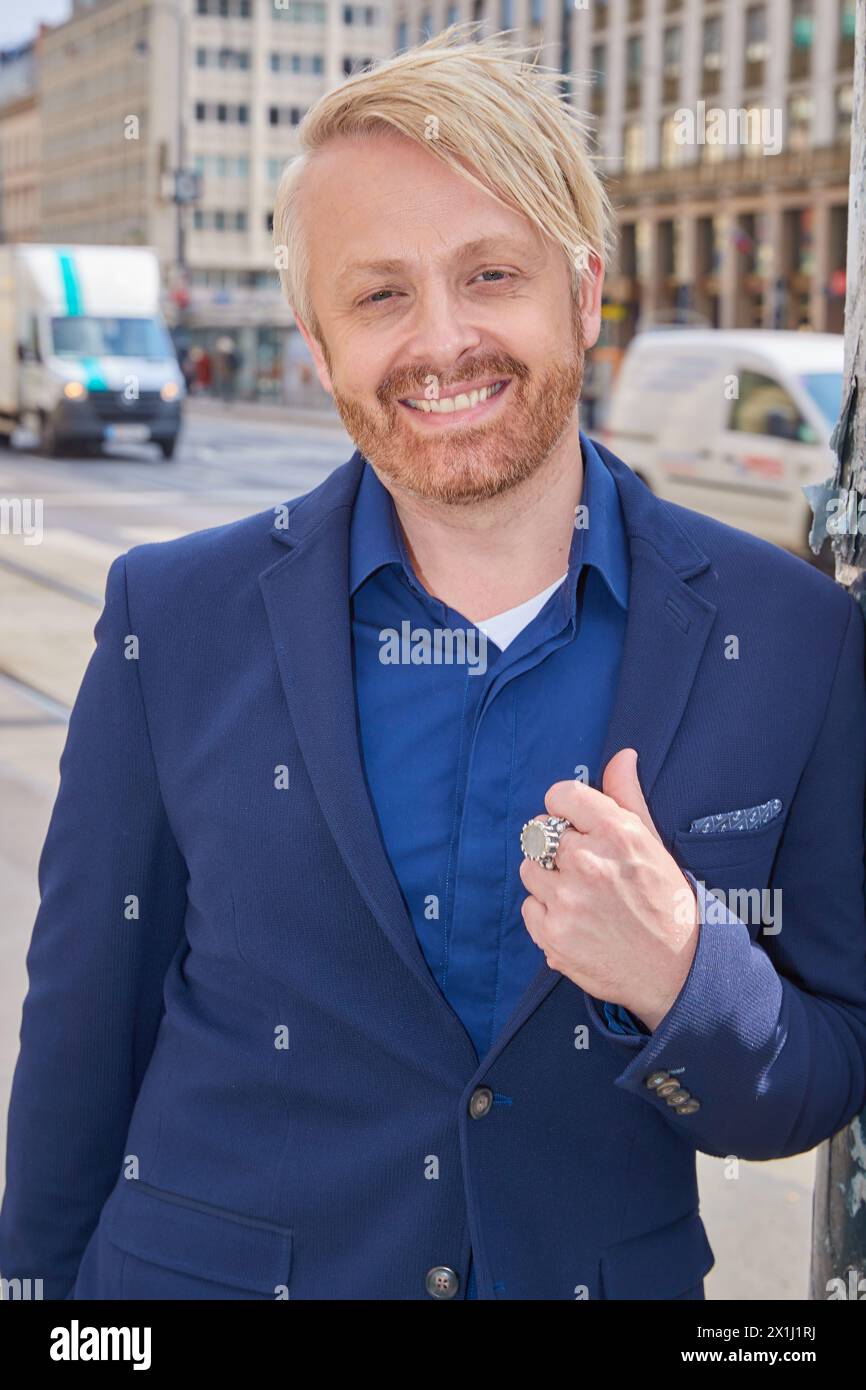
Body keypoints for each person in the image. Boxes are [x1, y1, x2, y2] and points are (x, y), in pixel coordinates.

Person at [1, 24, 865, 1303]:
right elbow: (81, 1040)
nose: (442, 341)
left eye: (490, 273)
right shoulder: (167, 618)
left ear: (583, 290)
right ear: (318, 339)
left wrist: (685, 974)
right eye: (380, 293)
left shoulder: (790, 635)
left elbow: (819, 1073)